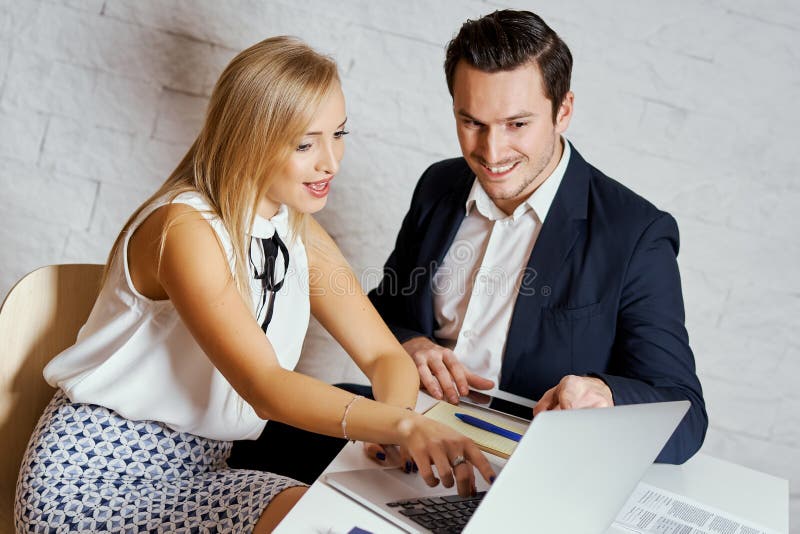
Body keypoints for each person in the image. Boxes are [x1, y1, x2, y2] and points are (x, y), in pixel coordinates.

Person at [14, 36, 494, 533]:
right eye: (306, 144)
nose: (331, 161)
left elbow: (384, 356)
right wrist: (403, 423)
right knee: (317, 521)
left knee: (332, 518)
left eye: (339, 134)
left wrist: (391, 428)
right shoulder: (184, 230)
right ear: (250, 138)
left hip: (203, 470)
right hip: (95, 476)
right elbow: (264, 387)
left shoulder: (296, 228)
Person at [368, 9, 708, 464]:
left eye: (517, 124)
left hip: (534, 466)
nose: (491, 153)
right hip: (413, 442)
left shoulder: (635, 234)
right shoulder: (437, 185)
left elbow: (684, 415)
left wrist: (604, 395)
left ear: (562, 110)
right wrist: (411, 345)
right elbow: (381, 310)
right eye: (472, 122)